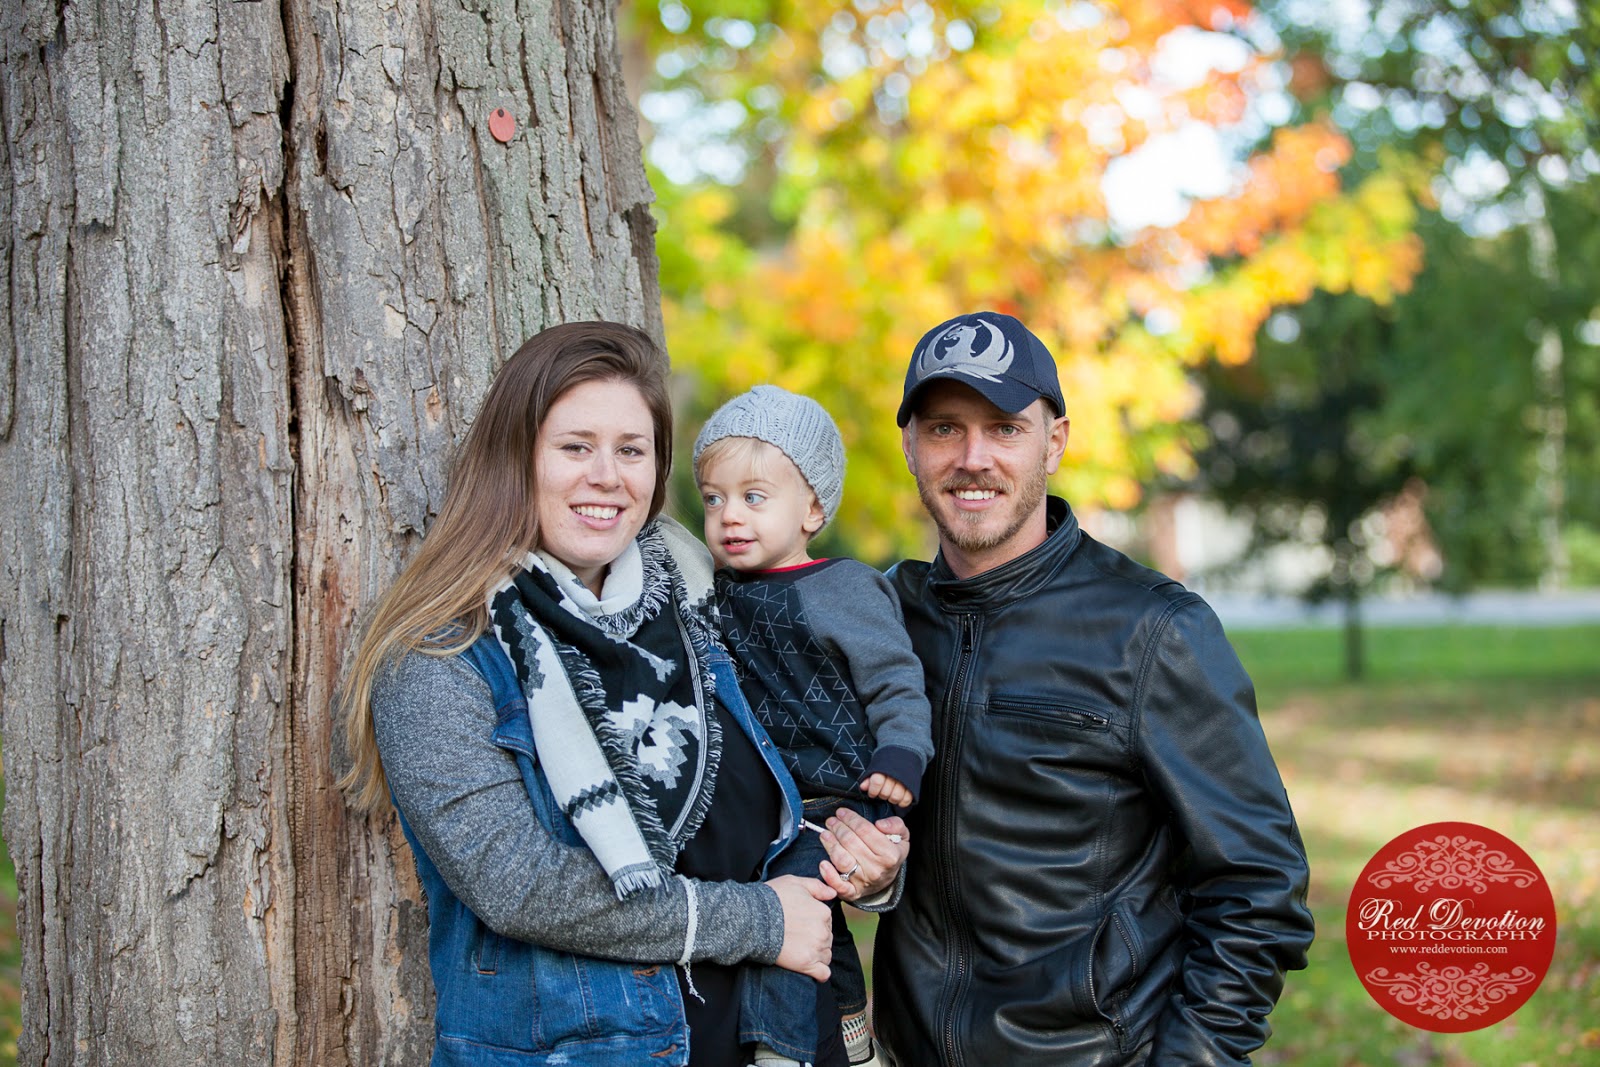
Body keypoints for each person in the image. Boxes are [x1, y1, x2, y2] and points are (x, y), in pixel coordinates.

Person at [336, 322, 910, 1067]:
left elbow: (809, 782)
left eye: (631, 450)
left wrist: (870, 866)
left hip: (784, 1036)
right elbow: (519, 884)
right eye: (576, 446)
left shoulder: (707, 602)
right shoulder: (439, 656)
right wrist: (760, 920)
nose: (607, 475)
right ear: (517, 457)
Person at [871, 311, 1314, 1066]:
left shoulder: (1152, 628)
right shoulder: (881, 621)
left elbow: (1257, 885)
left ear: (1056, 440)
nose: (973, 457)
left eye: (1005, 428)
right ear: (910, 445)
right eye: (945, 428)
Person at [692, 385, 934, 1067]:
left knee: (792, 901)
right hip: (769, 798)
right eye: (714, 498)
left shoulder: (844, 589)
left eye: (754, 497)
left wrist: (901, 756)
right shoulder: (712, 592)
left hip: (833, 793)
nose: (729, 516)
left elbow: (896, 680)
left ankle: (782, 1050)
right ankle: (853, 1037)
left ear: (814, 508)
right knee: (815, 915)